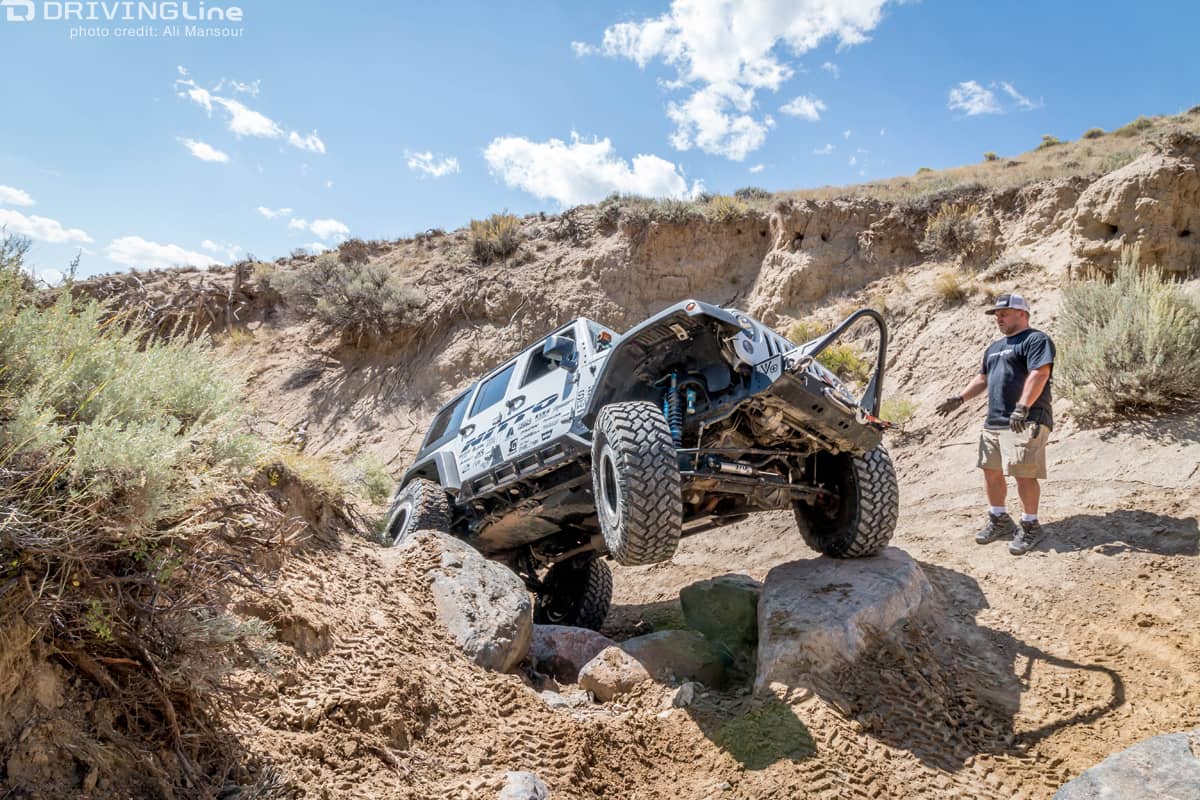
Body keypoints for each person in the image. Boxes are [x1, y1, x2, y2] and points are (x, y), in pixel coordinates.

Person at [935, 294, 1055, 555]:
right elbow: (983, 378)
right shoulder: (994, 348)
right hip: (995, 420)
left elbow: (1040, 373)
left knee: (1024, 473)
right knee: (991, 470)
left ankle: (1031, 524)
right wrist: (960, 398)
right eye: (997, 315)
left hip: (1027, 419)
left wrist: (1022, 407)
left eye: (1004, 313)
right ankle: (999, 518)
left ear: (1022, 314)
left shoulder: (1036, 340)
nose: (999, 319)